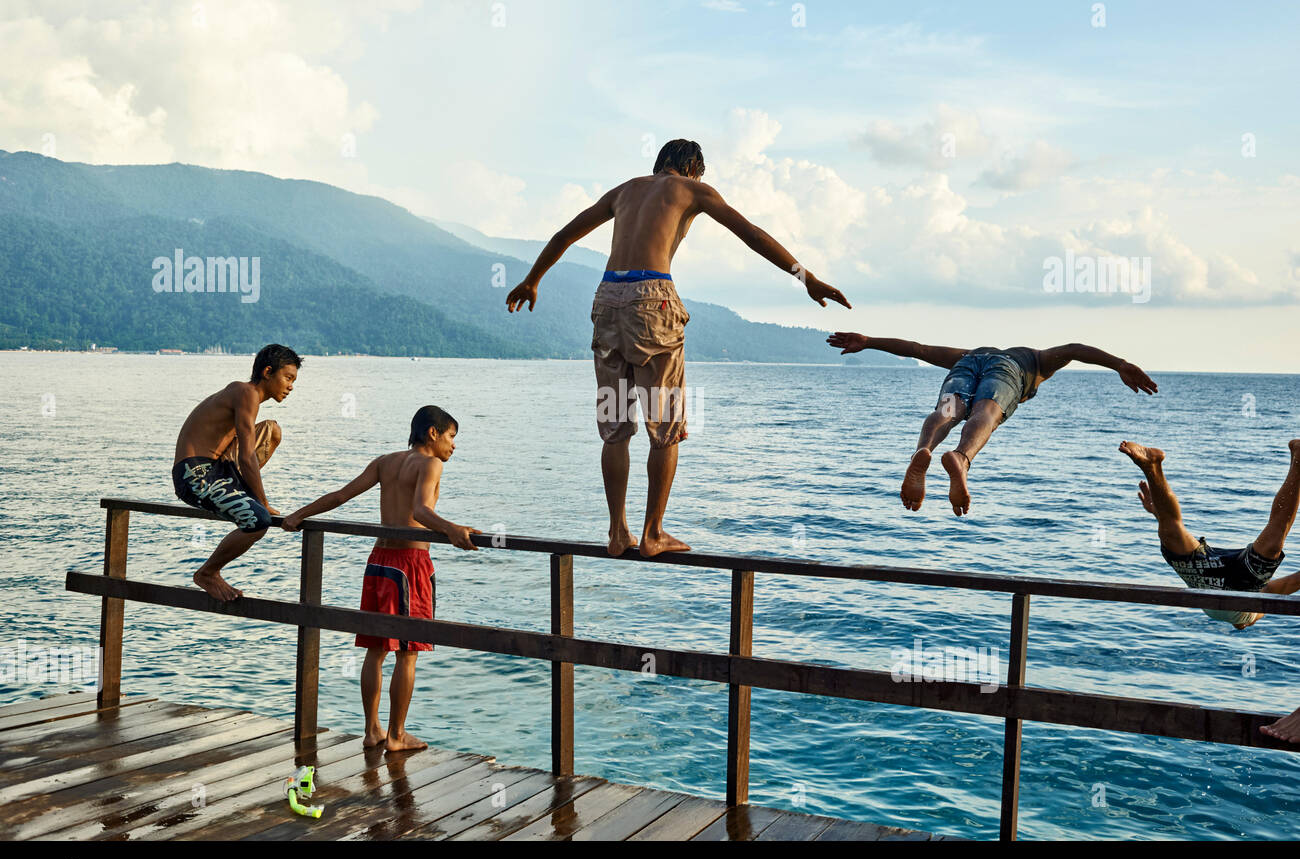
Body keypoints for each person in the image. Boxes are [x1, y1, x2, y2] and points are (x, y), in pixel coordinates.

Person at [506, 138, 851, 557]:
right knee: (665, 429)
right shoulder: (693, 190)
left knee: (615, 428)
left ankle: (617, 533)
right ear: (691, 168)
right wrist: (806, 276)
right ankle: (653, 533)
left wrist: (532, 279)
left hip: (607, 298)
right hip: (654, 298)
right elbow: (752, 234)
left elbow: (565, 234)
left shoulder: (623, 190)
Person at [282, 405, 481, 752]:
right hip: (410, 562)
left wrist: (299, 514)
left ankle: (372, 730)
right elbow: (420, 510)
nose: (453, 446)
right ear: (432, 433)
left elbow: (341, 495)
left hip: (378, 561)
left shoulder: (385, 461)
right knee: (408, 652)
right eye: (451, 437)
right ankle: (397, 736)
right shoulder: (430, 464)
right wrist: (453, 530)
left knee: (375, 650)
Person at [827, 334, 1158, 515]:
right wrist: (1119, 364)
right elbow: (1074, 349)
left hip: (965, 363)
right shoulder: (1036, 362)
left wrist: (868, 341)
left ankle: (924, 450)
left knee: (949, 409)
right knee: (986, 411)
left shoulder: (969, 353)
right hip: (1010, 370)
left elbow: (920, 349)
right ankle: (962, 458)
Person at [1118, 439, 1300, 629]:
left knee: (1171, 530)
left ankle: (1152, 466)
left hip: (1207, 578)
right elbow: (1291, 582)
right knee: (1171, 531)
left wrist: (1159, 513)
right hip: (1242, 584)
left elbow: (1291, 582)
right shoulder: (1254, 609)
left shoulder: (1253, 608)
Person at [172, 344, 300, 601]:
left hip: (216, 468)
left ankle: (243, 494)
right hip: (195, 474)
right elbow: (247, 456)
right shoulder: (246, 393)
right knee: (258, 521)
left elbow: (247, 449)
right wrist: (261, 502)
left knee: (272, 430)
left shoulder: (247, 396)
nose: (291, 386)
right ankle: (208, 573)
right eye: (287, 378)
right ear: (267, 372)